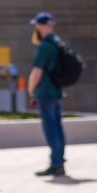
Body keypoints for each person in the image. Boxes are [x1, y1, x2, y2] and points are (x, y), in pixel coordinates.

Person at [23, 12, 68, 177]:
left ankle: (56, 163)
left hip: (45, 92)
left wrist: (31, 90)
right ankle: (59, 161)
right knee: (57, 127)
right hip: (57, 90)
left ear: (40, 26)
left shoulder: (45, 46)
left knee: (50, 128)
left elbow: (37, 72)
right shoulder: (57, 43)